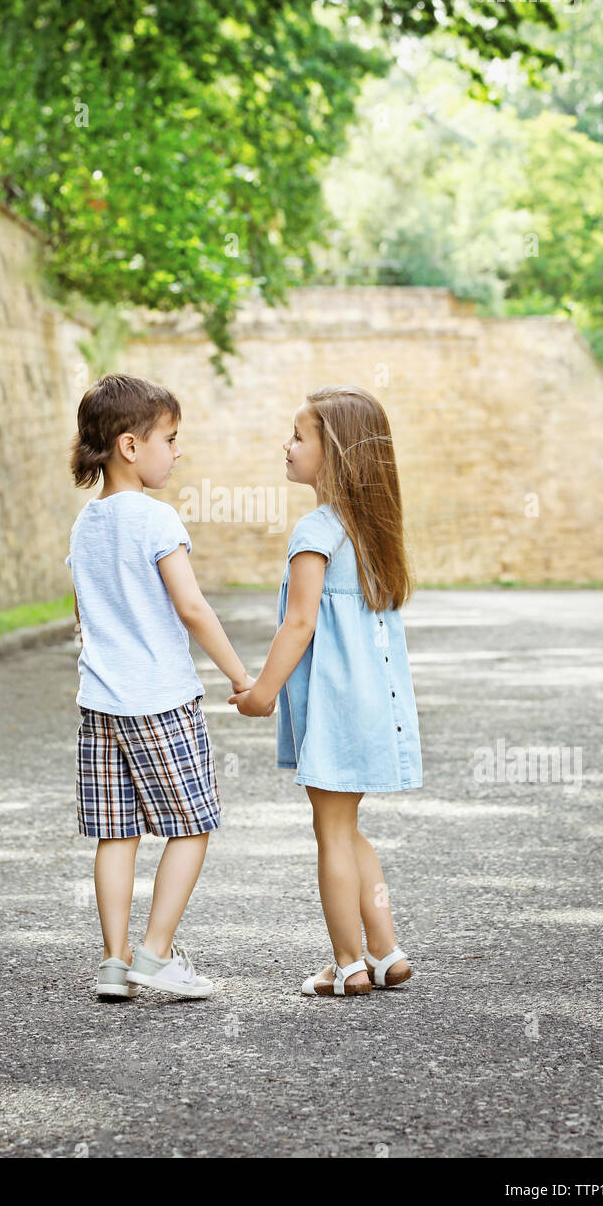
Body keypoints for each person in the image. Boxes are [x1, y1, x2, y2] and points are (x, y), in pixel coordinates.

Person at [65, 373, 269, 1001]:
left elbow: (82, 616)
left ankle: (114, 962)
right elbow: (193, 609)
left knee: (115, 831)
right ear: (130, 446)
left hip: (99, 704)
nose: (177, 451)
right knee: (192, 824)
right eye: (170, 439)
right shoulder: (155, 519)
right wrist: (242, 678)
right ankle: (155, 953)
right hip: (159, 699)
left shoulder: (84, 525)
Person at [229, 385, 423, 997]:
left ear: (334, 454)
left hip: (336, 709)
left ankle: (346, 962)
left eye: (298, 436)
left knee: (331, 832)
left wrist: (262, 690)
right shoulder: (373, 532)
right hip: (374, 708)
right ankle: (387, 951)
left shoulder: (315, 529)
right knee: (348, 825)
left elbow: (300, 623)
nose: (285, 446)